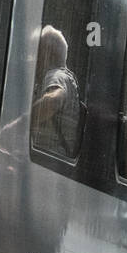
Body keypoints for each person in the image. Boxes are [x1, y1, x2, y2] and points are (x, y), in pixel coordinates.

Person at [29, 25, 83, 156]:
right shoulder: (68, 79)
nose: (32, 58)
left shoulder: (56, 75)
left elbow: (53, 101)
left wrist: (20, 123)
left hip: (47, 160)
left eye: (35, 53)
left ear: (47, 54)